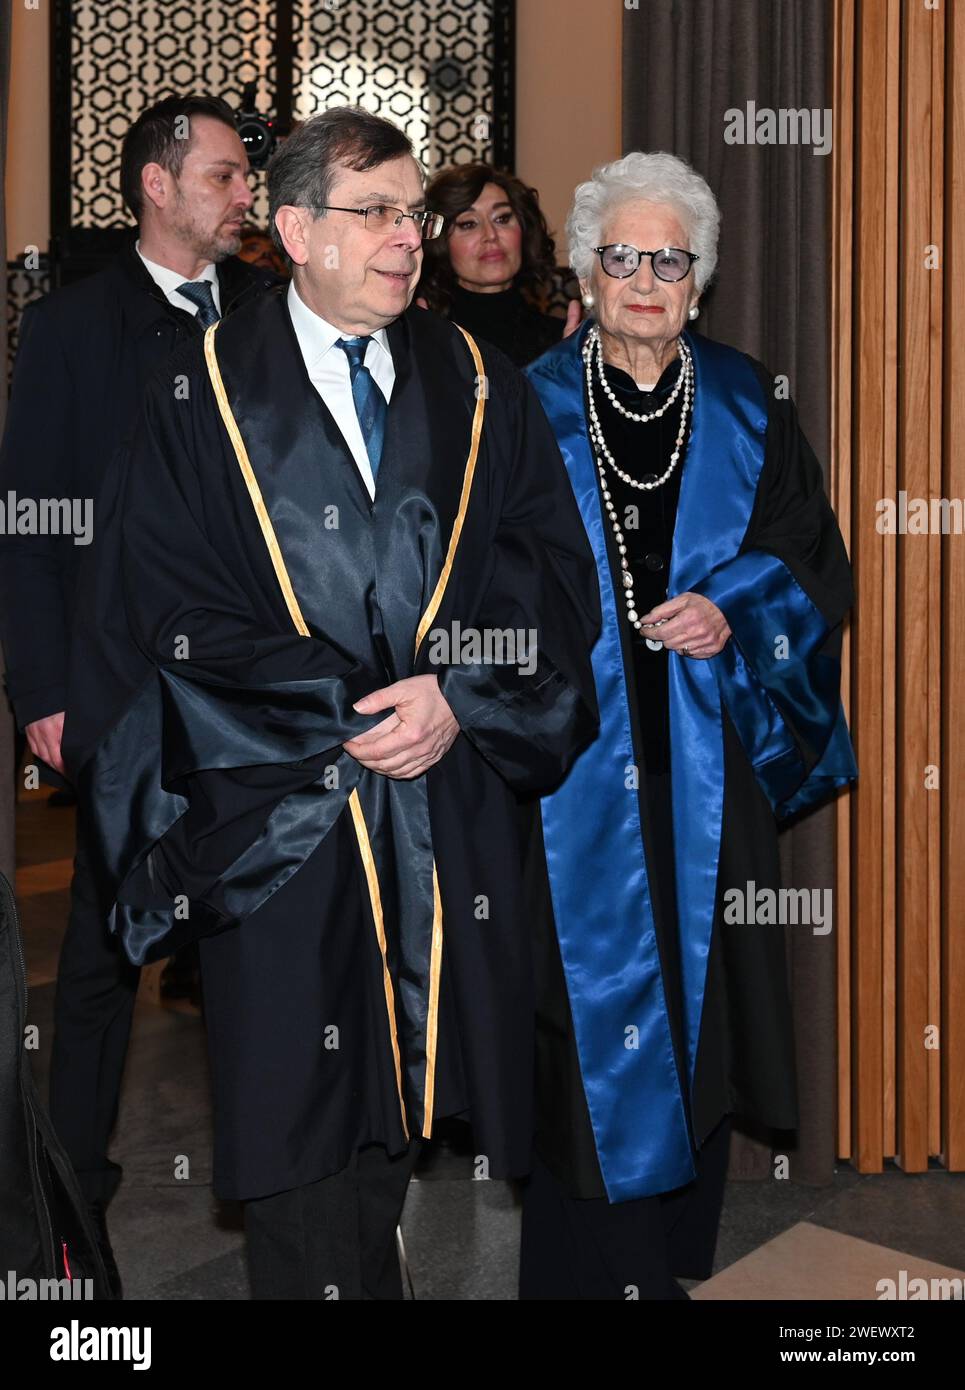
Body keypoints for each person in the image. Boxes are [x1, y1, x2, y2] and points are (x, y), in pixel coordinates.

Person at [69, 106, 600, 1300]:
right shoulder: (195, 393)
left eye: (413, 214)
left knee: (405, 1114)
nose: (408, 238)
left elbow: (548, 572)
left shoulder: (476, 383)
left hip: (443, 802)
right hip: (280, 815)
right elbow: (157, 610)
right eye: (377, 213)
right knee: (302, 1132)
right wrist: (345, 711)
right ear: (297, 227)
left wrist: (459, 696)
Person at [519, 151, 857, 1299]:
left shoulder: (747, 398)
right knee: (583, 1026)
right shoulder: (524, 404)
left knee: (704, 1021)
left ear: (699, 279)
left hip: (709, 772)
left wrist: (732, 605)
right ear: (586, 269)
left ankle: (668, 1271)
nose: (647, 278)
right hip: (569, 774)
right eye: (623, 256)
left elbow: (816, 560)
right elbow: (477, 582)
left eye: (671, 258)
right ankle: (580, 1278)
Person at [0, 94, 279, 1295]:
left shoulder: (274, 317)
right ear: (160, 187)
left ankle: (284, 1177)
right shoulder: (70, 329)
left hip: (253, 703)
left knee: (257, 952)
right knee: (107, 967)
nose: (245, 196)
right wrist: (44, 689)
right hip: (115, 696)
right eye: (224, 175)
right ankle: (74, 1202)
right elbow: (29, 521)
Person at [418, 163, 578, 366]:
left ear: (524, 229)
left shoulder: (564, 343)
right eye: (468, 224)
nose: (491, 235)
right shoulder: (422, 339)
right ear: (440, 243)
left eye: (502, 218)